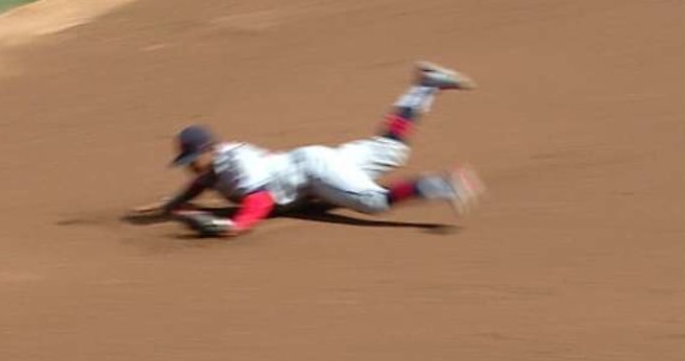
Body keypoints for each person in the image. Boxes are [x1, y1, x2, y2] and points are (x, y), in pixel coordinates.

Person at [128, 62, 483, 237]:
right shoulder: (216, 164)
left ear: (208, 149)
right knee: (390, 148)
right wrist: (169, 206)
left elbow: (261, 202)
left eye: (193, 159)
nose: (191, 167)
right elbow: (198, 185)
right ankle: (425, 85)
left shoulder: (234, 165)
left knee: (373, 202)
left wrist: (234, 226)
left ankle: (442, 184)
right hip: (313, 161)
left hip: (316, 172)